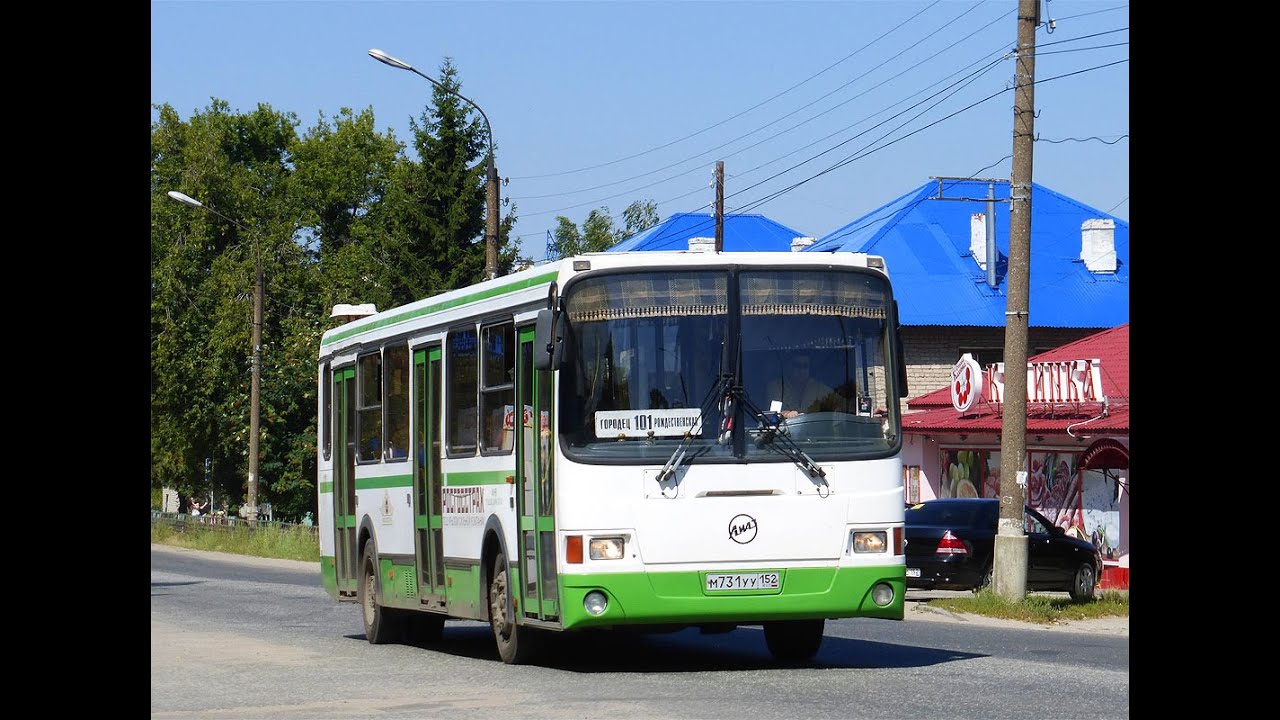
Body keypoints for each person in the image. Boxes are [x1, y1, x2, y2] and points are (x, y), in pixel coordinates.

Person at [765, 353, 837, 418]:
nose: (801, 370)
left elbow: (838, 404)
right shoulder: (776, 386)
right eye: (797, 365)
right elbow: (773, 412)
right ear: (788, 366)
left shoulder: (819, 388)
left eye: (805, 366)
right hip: (785, 431)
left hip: (814, 430)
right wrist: (787, 414)